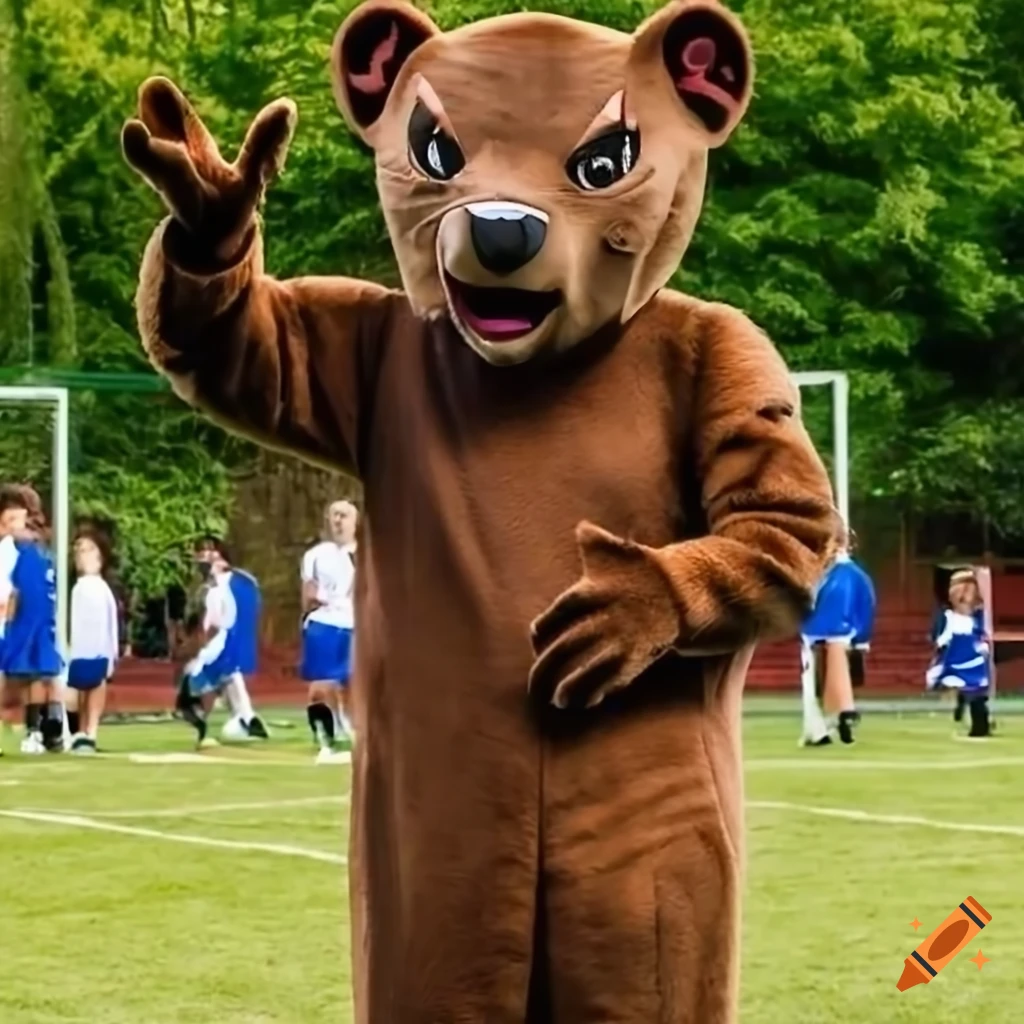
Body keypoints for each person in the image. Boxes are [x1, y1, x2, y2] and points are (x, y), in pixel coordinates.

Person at [0, 485, 64, 753]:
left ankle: (44, 731)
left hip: (21, 622)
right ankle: (43, 730)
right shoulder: (12, 549)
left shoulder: (32, 551)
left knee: (37, 676)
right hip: (12, 621)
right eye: (10, 520)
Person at [799, 538, 876, 746]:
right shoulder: (858, 575)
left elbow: (808, 596)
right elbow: (868, 603)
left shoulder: (824, 573)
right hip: (844, 629)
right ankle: (841, 713)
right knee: (835, 662)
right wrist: (862, 637)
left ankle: (824, 724)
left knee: (815, 673)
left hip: (818, 627)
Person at [193, 537, 268, 741]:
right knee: (226, 675)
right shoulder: (213, 585)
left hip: (229, 629)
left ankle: (245, 718)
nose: (205, 556)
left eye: (210, 550)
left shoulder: (232, 581)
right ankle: (246, 717)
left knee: (222, 671)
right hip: (225, 629)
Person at [301, 500, 358, 763]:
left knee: (353, 686)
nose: (338, 520)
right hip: (324, 624)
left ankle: (352, 732)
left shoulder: (366, 554)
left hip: (357, 626)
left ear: (355, 521)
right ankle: (325, 743)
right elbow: (308, 596)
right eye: (334, 515)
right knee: (321, 686)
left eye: (344, 515)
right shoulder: (316, 555)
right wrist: (322, 599)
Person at [66, 531, 119, 754]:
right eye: (78, 549)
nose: (81, 554)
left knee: (95, 686)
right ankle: (78, 731)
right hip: (76, 649)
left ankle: (91, 732)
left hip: (97, 649)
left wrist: (111, 653)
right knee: (76, 692)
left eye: (87, 549)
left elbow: (110, 623)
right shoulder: (76, 588)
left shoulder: (101, 588)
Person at [927, 568, 992, 738]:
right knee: (961, 685)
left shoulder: (978, 615)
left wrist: (982, 645)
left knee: (976, 692)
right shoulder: (946, 616)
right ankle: (963, 704)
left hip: (973, 656)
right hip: (955, 655)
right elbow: (939, 635)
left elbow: (981, 633)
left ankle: (979, 724)